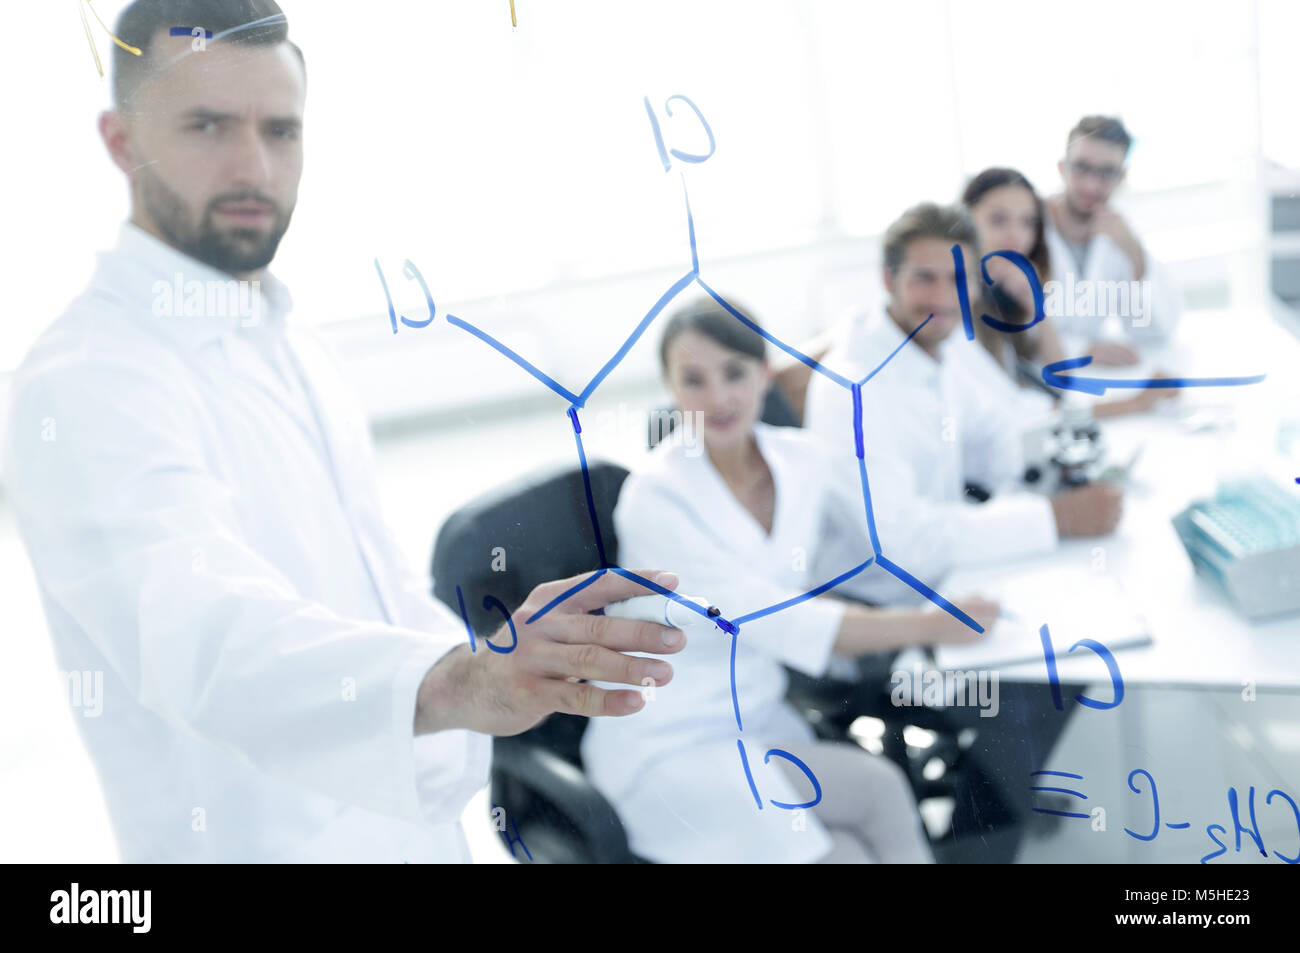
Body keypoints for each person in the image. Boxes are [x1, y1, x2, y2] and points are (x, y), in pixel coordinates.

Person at [0, 0, 684, 863]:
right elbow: (205, 631)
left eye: (279, 130)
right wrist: (461, 682)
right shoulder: (88, 380)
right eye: (207, 125)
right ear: (121, 141)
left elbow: (382, 586)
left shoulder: (294, 346)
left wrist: (493, 667)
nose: (253, 164)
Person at [580, 299, 999, 864]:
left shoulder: (800, 463)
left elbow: (868, 551)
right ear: (671, 390)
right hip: (667, 746)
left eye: (734, 372)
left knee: (868, 815)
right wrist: (932, 626)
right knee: (855, 835)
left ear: (764, 373)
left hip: (754, 722)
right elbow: (773, 617)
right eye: (694, 380)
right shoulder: (655, 500)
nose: (718, 397)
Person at [803, 203, 1124, 607]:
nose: (942, 297)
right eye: (924, 278)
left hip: (952, 579)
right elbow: (899, 542)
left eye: (957, 279)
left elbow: (995, 438)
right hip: (884, 615)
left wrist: (1067, 476)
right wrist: (1056, 518)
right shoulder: (850, 388)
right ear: (888, 279)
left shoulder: (938, 348)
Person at [962, 167, 1174, 418]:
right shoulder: (957, 304)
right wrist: (1136, 403)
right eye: (998, 220)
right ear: (964, 221)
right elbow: (1021, 415)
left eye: (1028, 222)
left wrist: (1034, 303)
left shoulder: (1002, 291)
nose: (1015, 235)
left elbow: (1060, 378)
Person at [1044, 115, 1182, 364]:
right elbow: (1011, 332)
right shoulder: (1029, 228)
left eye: (1106, 172)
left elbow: (1156, 333)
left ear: (1121, 178)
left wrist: (1133, 252)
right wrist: (1082, 350)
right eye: (1082, 167)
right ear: (1062, 168)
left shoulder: (1117, 239)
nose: (1091, 185)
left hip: (1089, 380)